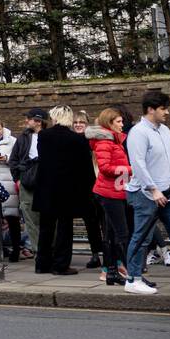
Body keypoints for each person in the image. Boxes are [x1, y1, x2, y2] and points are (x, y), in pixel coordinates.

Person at [123, 89, 170, 295]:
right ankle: (132, 280)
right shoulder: (138, 133)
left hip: (168, 193)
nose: (167, 112)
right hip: (146, 195)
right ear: (150, 109)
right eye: (163, 108)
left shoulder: (164, 131)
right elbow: (138, 164)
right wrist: (153, 190)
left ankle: (135, 278)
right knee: (141, 237)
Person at [33, 105, 93, 276]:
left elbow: (42, 160)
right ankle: (60, 265)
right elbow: (85, 168)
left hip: (46, 188)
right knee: (65, 229)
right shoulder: (77, 139)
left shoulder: (43, 136)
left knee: (46, 227)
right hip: (67, 190)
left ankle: (42, 264)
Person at [87, 108, 131, 286]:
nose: (123, 125)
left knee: (112, 235)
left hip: (115, 191)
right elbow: (105, 168)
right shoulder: (105, 141)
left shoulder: (114, 140)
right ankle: (131, 273)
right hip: (108, 193)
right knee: (122, 235)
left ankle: (111, 272)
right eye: (119, 122)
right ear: (109, 123)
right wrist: (130, 170)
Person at [8, 108, 46, 256]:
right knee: (30, 219)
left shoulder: (48, 136)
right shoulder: (23, 137)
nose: (26, 121)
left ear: (37, 121)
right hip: (27, 182)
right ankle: (38, 251)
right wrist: (17, 179)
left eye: (28, 118)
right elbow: (14, 160)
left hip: (45, 182)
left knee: (48, 218)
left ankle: (49, 249)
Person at [71, 110, 105, 268]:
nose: (78, 125)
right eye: (76, 122)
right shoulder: (70, 141)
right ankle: (95, 254)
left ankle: (109, 254)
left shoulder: (93, 140)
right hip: (82, 189)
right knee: (90, 223)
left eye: (81, 122)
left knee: (104, 222)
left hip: (98, 185)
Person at [0, 120, 23, 261]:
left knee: (12, 218)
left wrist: (6, 158)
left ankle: (16, 250)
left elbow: (19, 160)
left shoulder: (12, 141)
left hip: (8, 181)